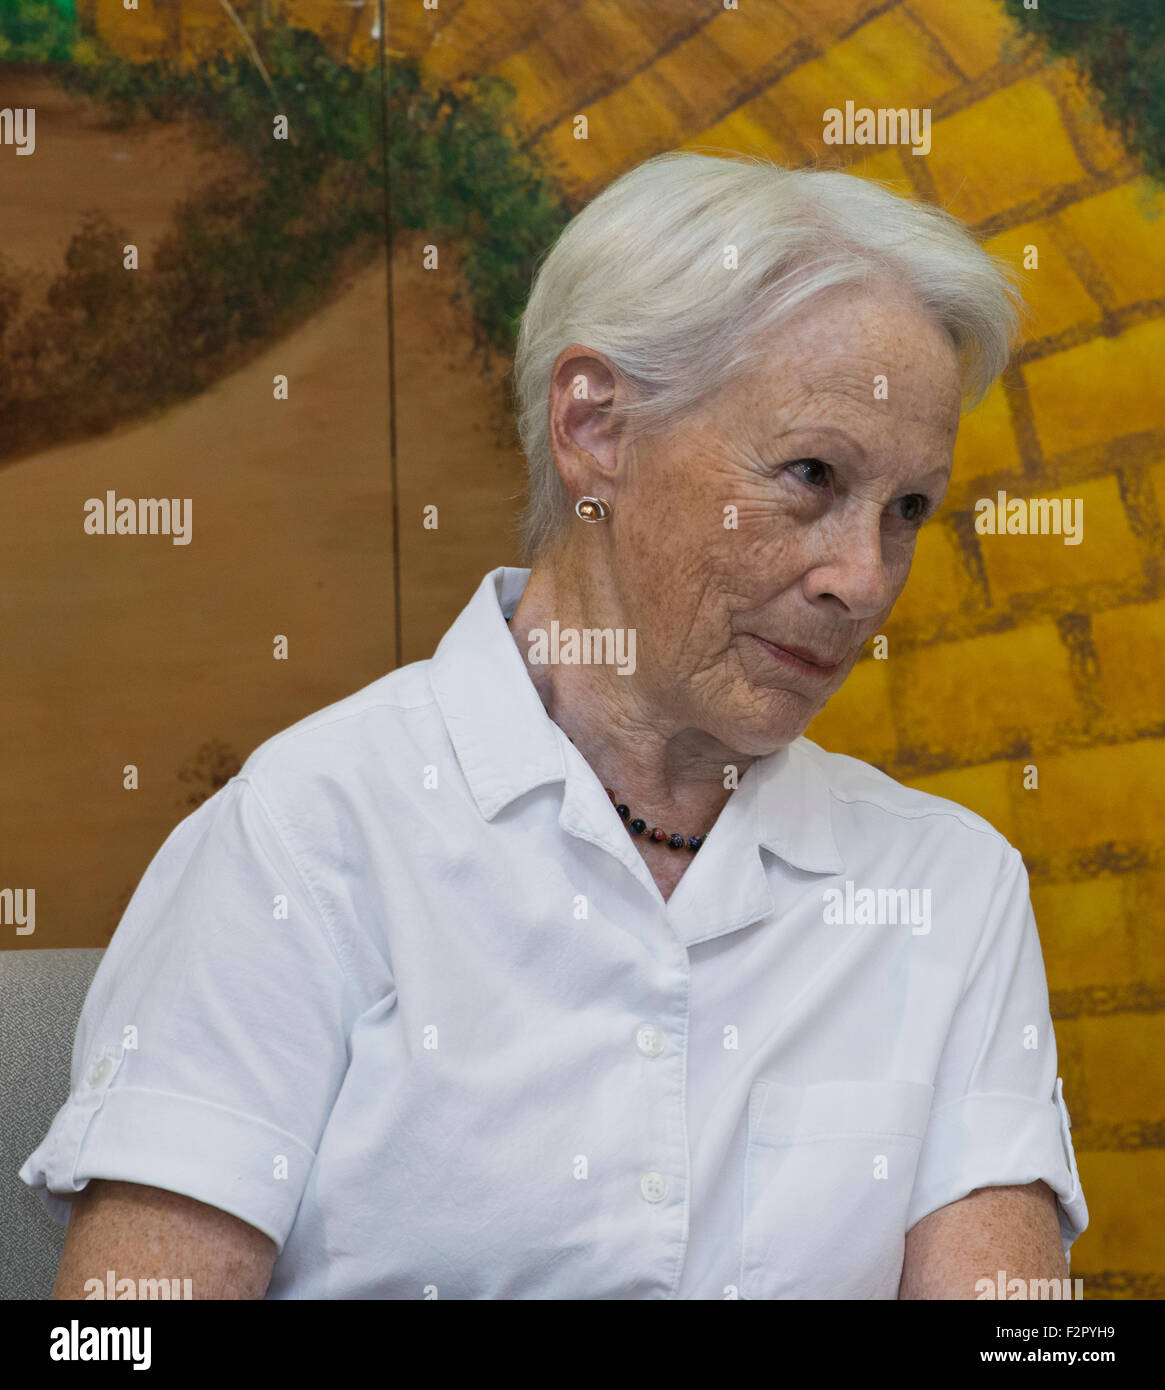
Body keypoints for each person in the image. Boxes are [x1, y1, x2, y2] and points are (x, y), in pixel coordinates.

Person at [23, 150, 1087, 1299]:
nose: (862, 578)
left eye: (907, 510)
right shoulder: (309, 838)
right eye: (811, 474)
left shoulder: (948, 886)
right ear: (596, 427)